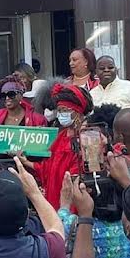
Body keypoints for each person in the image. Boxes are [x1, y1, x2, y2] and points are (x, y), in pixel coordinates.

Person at [34, 83, 94, 211]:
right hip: (54, 197)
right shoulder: (60, 135)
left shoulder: (89, 137)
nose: (61, 114)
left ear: (77, 111)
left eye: (65, 110)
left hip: (76, 199)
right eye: (59, 110)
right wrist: (24, 162)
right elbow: (47, 167)